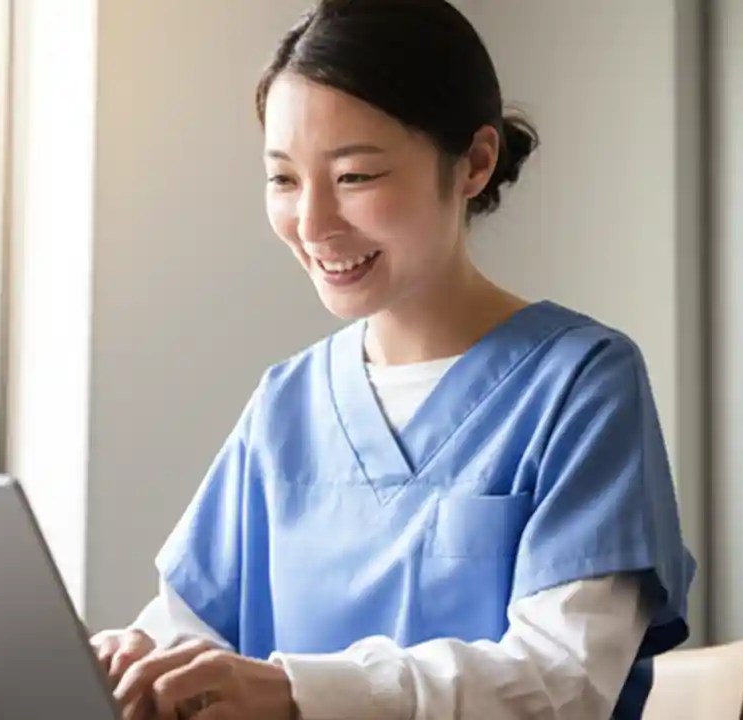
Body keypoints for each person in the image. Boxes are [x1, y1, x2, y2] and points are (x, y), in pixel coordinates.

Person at [90, 1, 695, 718]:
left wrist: (295, 694)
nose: (312, 223)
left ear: (474, 163)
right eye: (283, 179)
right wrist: (134, 665)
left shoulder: (581, 384)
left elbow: (559, 682)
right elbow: (187, 633)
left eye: (354, 177)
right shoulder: (287, 404)